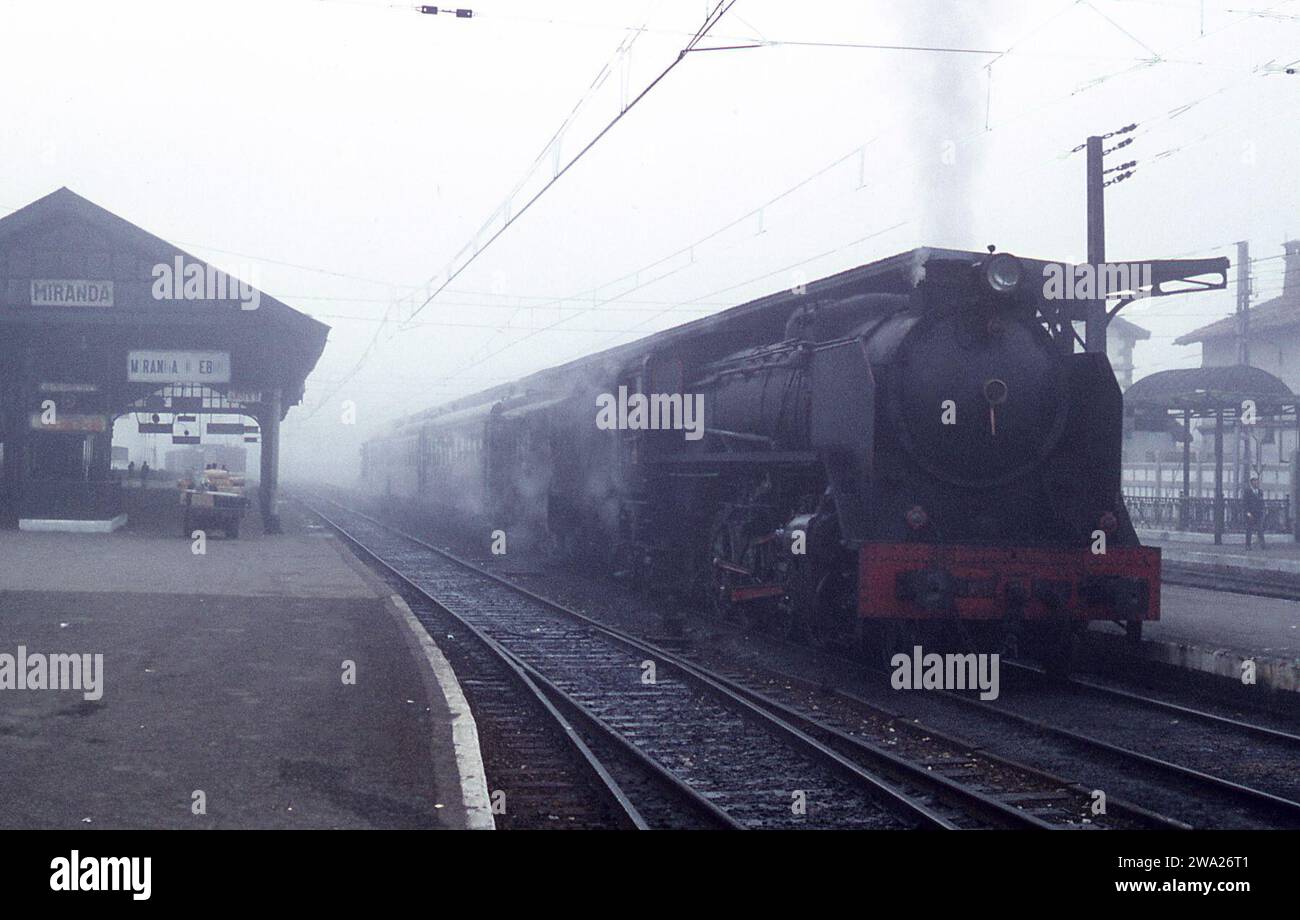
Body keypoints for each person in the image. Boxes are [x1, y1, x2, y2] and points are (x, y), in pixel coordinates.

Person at [1243, 474, 1266, 550]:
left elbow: (1262, 502)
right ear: (1251, 483)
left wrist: (1263, 510)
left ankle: (1263, 545)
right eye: (1255, 481)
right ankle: (1248, 545)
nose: (1256, 483)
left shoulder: (1260, 491)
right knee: (1249, 529)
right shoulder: (1247, 492)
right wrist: (1248, 513)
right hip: (1251, 513)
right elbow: (1245, 503)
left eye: (1257, 481)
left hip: (1259, 513)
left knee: (1260, 528)